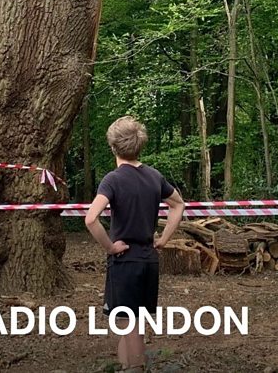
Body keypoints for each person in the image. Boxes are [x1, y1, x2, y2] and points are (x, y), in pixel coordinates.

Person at [85, 116, 186, 372]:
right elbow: (178, 204)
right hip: (149, 260)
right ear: (140, 145)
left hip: (125, 260)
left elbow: (90, 219)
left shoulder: (113, 179)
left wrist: (109, 247)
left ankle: (135, 367)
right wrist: (163, 239)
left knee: (129, 324)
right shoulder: (154, 177)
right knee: (134, 324)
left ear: (113, 147)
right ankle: (126, 365)